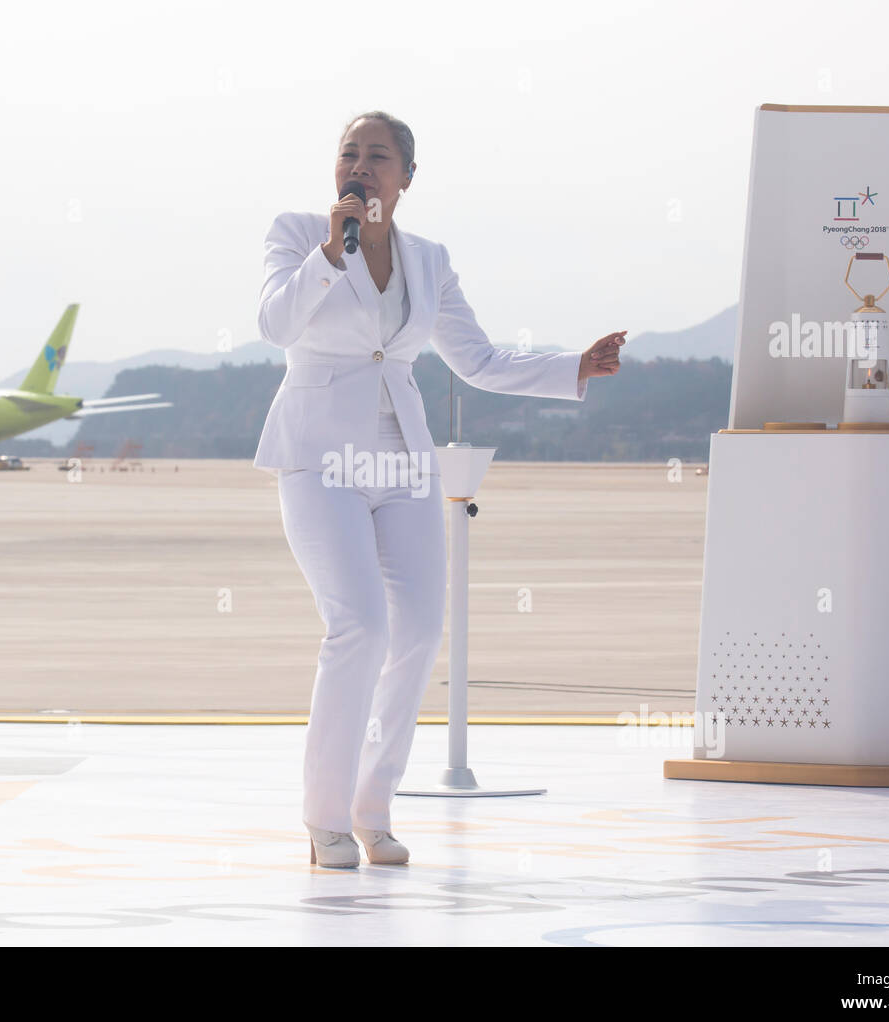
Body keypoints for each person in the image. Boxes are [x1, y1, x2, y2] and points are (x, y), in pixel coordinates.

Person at [253, 110, 626, 868]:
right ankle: (325, 818)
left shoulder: (429, 259)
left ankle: (373, 806)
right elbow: (273, 322)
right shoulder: (298, 235)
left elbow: (478, 359)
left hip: (402, 461)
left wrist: (571, 368)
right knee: (359, 626)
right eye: (349, 154)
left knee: (419, 630)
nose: (359, 166)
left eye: (377, 156)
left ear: (407, 178)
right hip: (320, 460)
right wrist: (332, 250)